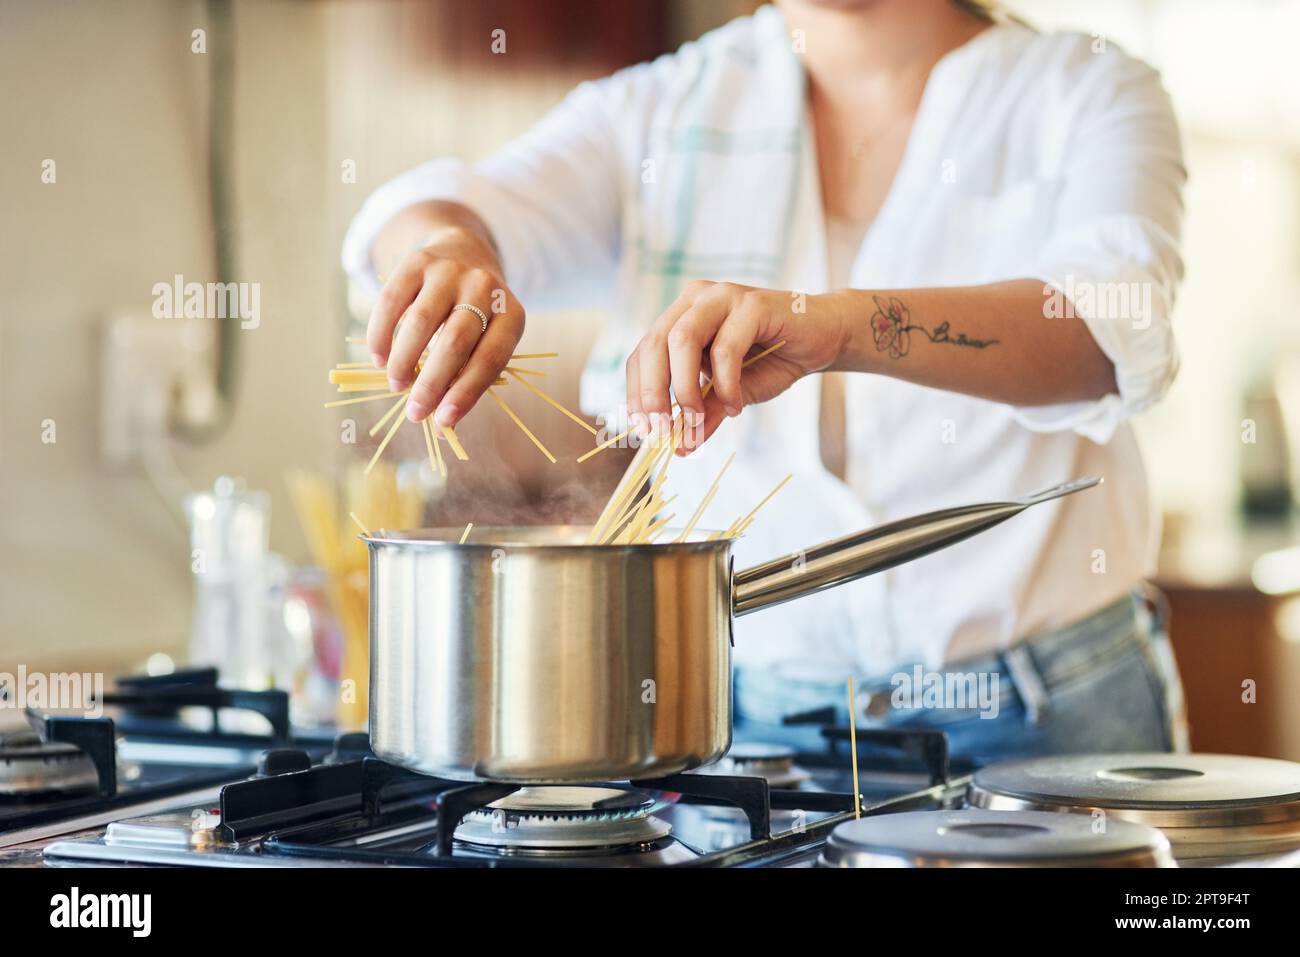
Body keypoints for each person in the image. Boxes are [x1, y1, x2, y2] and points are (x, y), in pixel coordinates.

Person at [342, 0, 1189, 764]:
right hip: (756, 729)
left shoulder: (1090, 92)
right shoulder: (659, 113)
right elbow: (439, 206)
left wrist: (840, 324)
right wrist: (450, 255)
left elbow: (1108, 328)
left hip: (1052, 714)